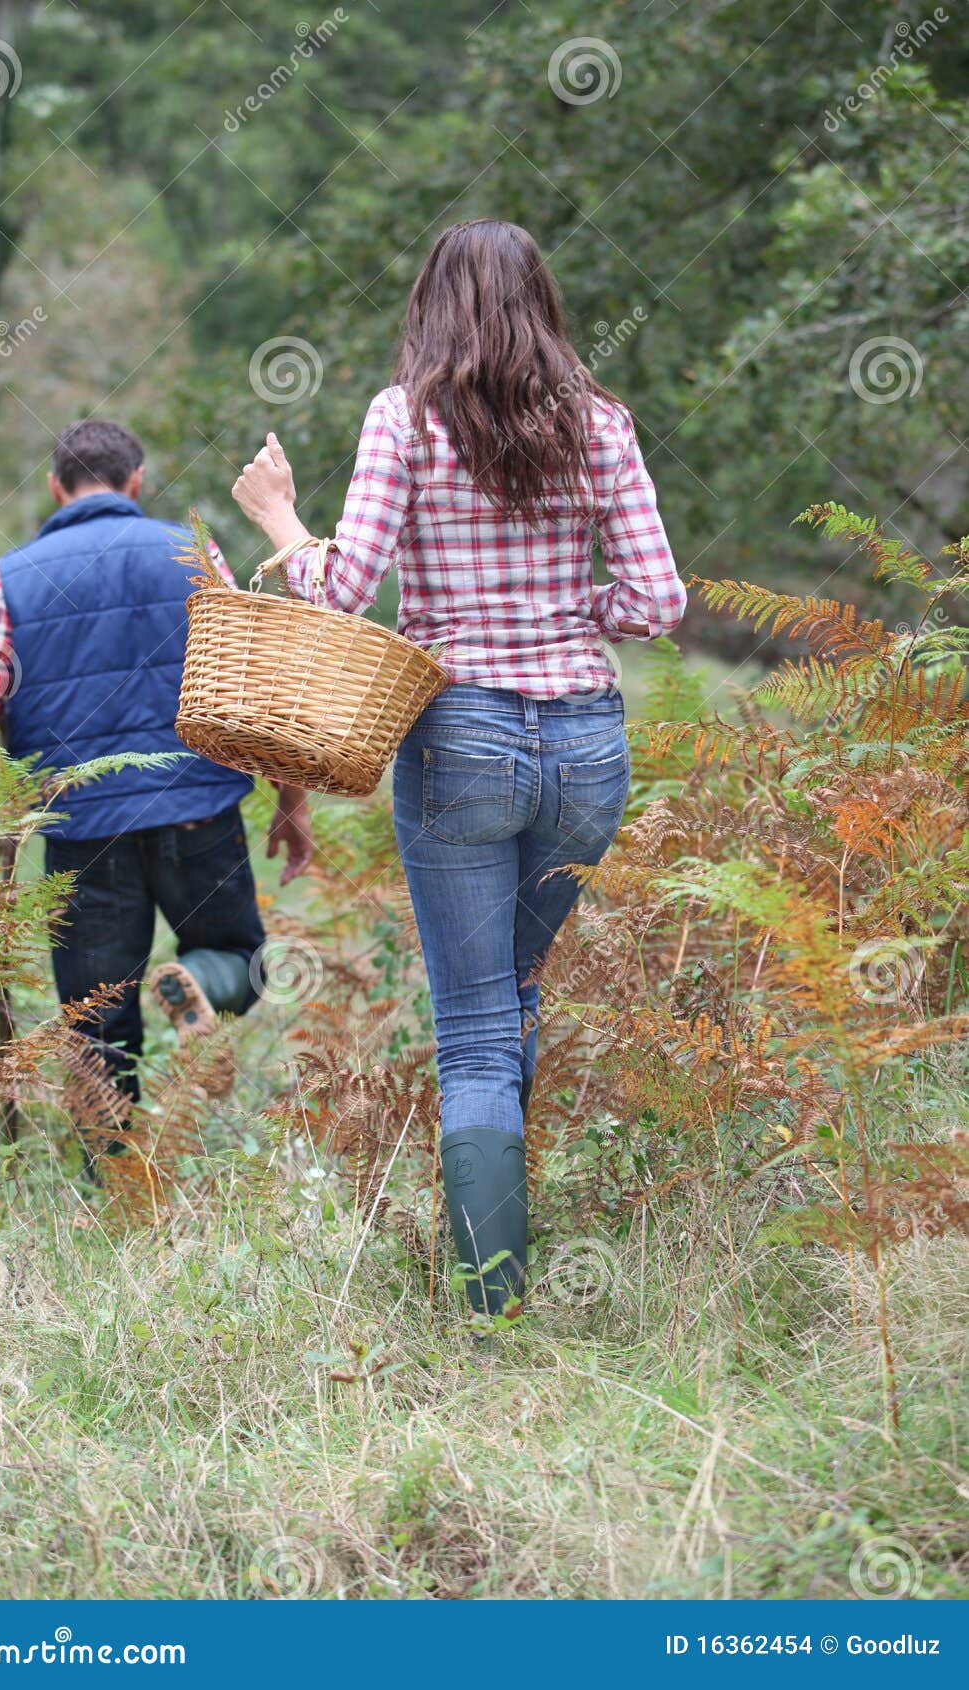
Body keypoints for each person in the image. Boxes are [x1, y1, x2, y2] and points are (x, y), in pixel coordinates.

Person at [232, 219, 686, 1315]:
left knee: (476, 1028)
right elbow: (657, 603)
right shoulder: (599, 423)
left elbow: (343, 591)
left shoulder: (404, 417)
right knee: (512, 991)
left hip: (460, 735)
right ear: (543, 302)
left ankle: (491, 1306)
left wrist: (278, 514)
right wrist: (563, 608)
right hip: (586, 744)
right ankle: (505, 1258)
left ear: (431, 306)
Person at [0, 418, 313, 1149]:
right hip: (197, 808)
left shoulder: (15, 575)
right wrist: (293, 802)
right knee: (243, 962)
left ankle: (114, 1177)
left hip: (82, 830)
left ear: (54, 486)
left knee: (94, 1020)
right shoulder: (190, 551)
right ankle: (199, 981)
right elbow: (251, 681)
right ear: (136, 481)